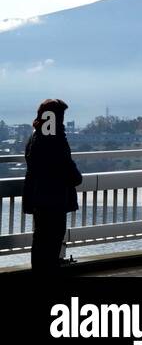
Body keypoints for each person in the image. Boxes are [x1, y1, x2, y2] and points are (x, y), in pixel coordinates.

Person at [22, 99, 82, 273]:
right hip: (54, 198)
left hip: (39, 197)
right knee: (53, 241)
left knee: (41, 241)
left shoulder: (35, 136)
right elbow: (65, 166)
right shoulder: (55, 139)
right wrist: (76, 177)